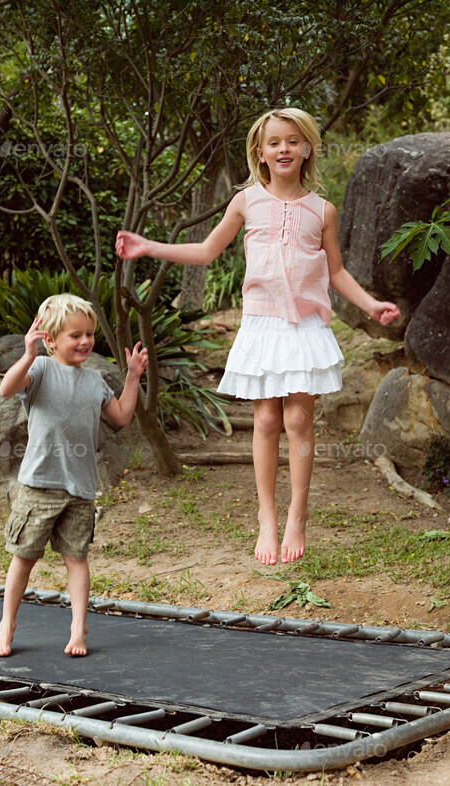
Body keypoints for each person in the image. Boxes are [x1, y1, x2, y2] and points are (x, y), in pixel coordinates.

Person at [115, 107, 400, 567]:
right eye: (274, 142)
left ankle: (297, 515)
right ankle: (267, 516)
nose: (283, 148)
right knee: (266, 421)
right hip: (263, 323)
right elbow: (207, 251)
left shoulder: (321, 210)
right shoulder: (247, 201)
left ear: (307, 148)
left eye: (292, 140)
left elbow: (337, 272)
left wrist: (370, 305)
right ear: (260, 153)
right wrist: (150, 246)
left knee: (298, 423)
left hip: (304, 326)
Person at [0, 293, 148, 657]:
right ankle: (6, 625)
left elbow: (122, 415)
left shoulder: (94, 381)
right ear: (51, 340)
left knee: (77, 558)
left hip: (80, 488)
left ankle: (79, 628)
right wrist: (28, 354)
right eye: (75, 335)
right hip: (40, 485)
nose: (85, 341)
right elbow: (6, 388)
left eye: (89, 334)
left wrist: (134, 377)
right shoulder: (41, 370)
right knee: (24, 558)